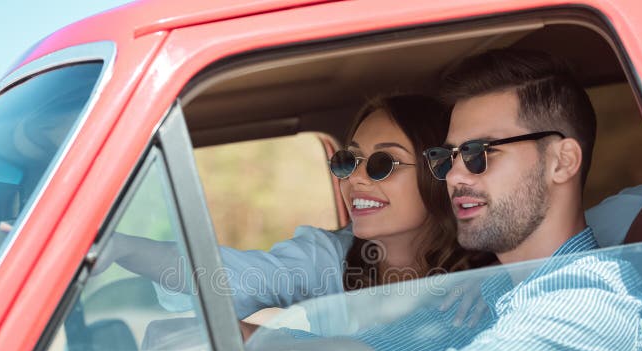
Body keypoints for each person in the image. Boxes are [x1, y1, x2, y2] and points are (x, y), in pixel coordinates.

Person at [252, 49, 642, 351]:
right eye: (447, 158)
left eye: (481, 153)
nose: (455, 175)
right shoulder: (490, 291)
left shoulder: (587, 310)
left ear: (561, 161)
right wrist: (237, 349)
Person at [96, 95, 490, 332]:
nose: (355, 179)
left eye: (382, 164)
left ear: (438, 172)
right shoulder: (329, 256)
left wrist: (486, 283)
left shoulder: (490, 261)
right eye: (347, 160)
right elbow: (231, 277)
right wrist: (124, 248)